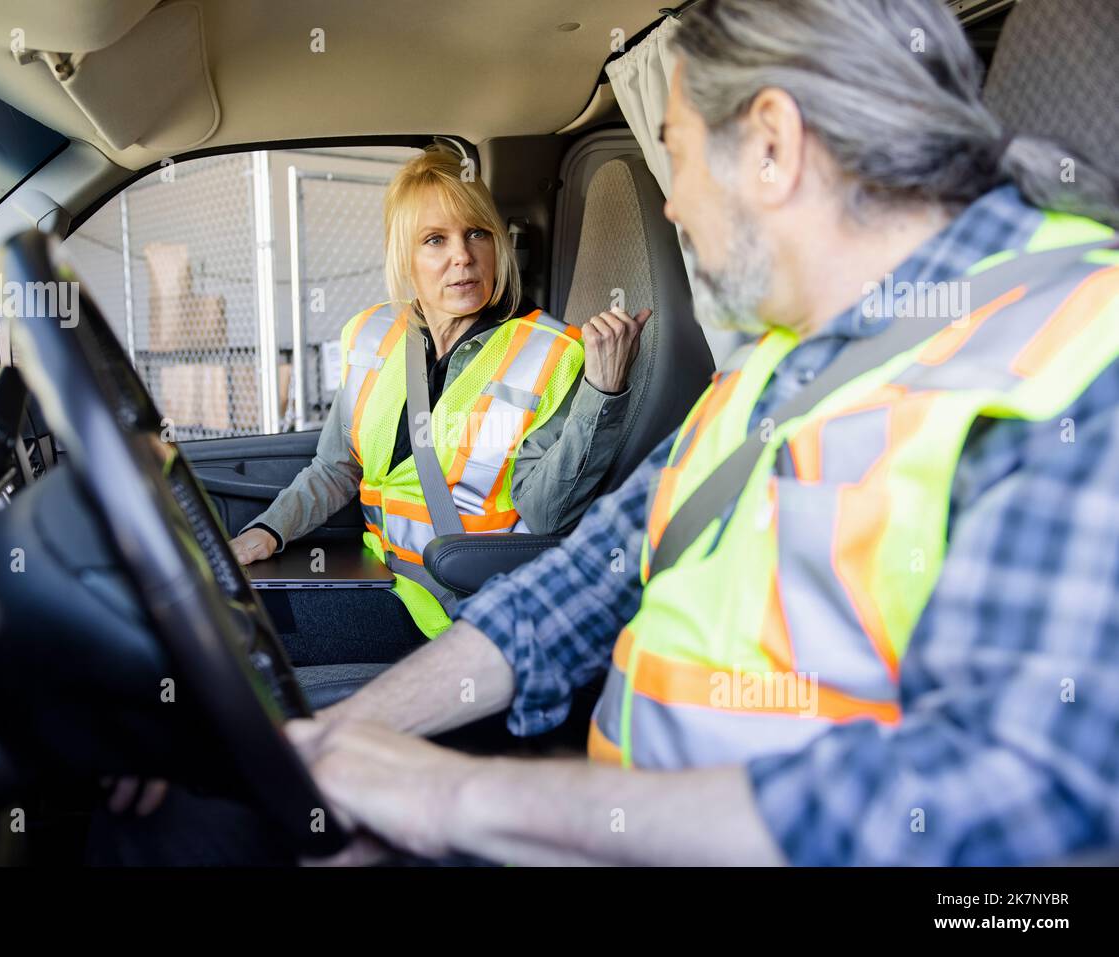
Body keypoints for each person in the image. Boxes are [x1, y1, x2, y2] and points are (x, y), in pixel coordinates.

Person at [286, 0, 1119, 866]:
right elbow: (581, 581)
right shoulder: (779, 358)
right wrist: (331, 743)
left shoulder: (1081, 360)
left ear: (771, 145)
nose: (674, 205)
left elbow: (1009, 800)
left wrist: (457, 797)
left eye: (675, 154)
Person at [227, 146, 650, 658]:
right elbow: (337, 467)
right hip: (382, 576)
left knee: (241, 640)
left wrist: (602, 395)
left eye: (477, 233)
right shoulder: (372, 334)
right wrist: (270, 530)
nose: (463, 256)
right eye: (435, 240)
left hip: (464, 608)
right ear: (403, 256)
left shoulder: (553, 353)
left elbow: (546, 515)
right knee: (224, 612)